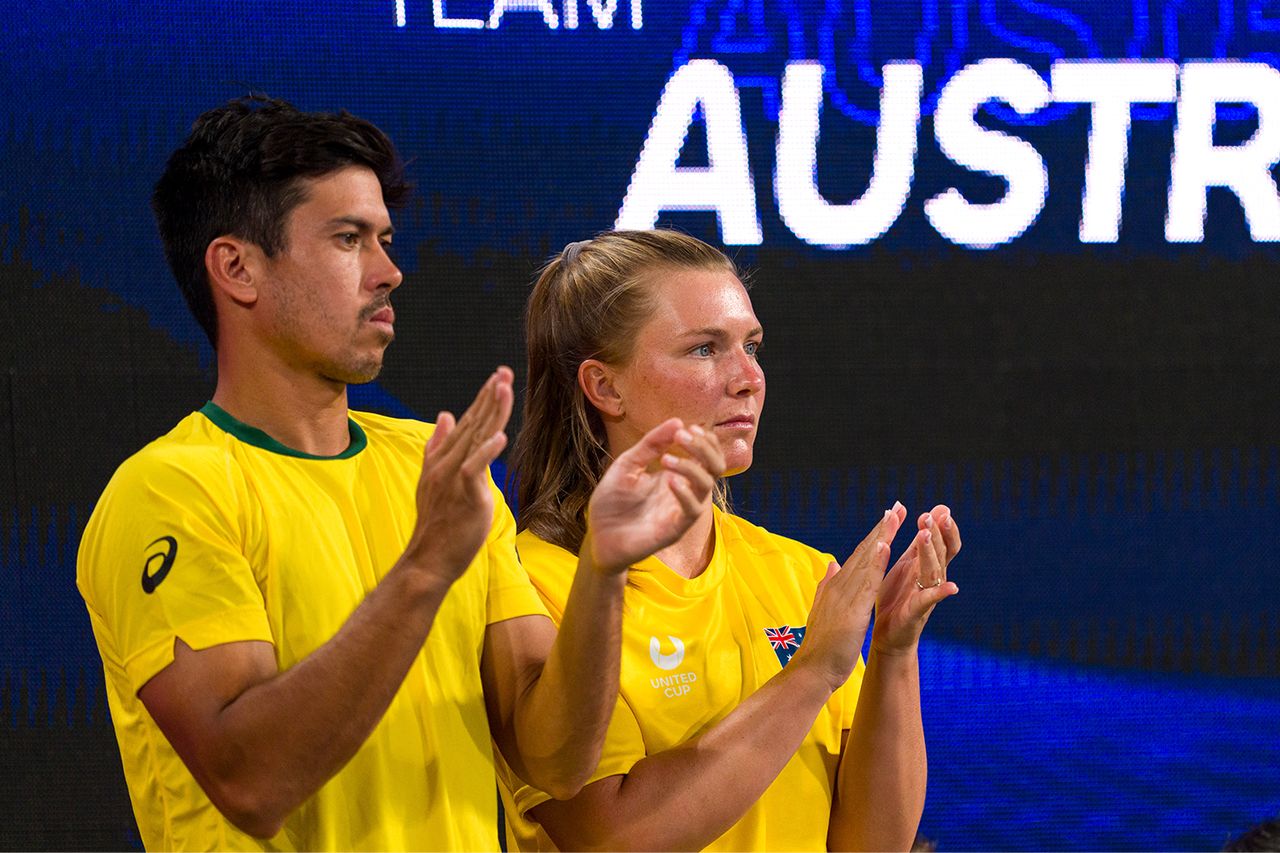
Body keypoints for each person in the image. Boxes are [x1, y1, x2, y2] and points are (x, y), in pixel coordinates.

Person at [75, 99, 722, 851]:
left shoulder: (431, 461)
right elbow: (252, 781)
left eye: (384, 238)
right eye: (348, 239)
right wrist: (424, 569)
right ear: (237, 268)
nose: (389, 271)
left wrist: (604, 571)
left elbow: (556, 758)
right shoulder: (168, 492)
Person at [499, 229, 963, 851]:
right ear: (604, 387)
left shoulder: (801, 574)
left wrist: (892, 651)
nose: (748, 377)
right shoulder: (531, 584)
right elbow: (612, 838)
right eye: (703, 350)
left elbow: (873, 843)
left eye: (752, 345)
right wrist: (812, 674)